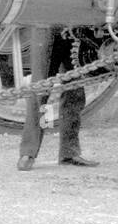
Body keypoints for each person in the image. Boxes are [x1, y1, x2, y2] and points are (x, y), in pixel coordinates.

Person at [17, 28, 98, 171]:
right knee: (41, 93)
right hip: (47, 28)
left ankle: (69, 153)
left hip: (75, 30)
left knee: (75, 92)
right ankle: (28, 153)